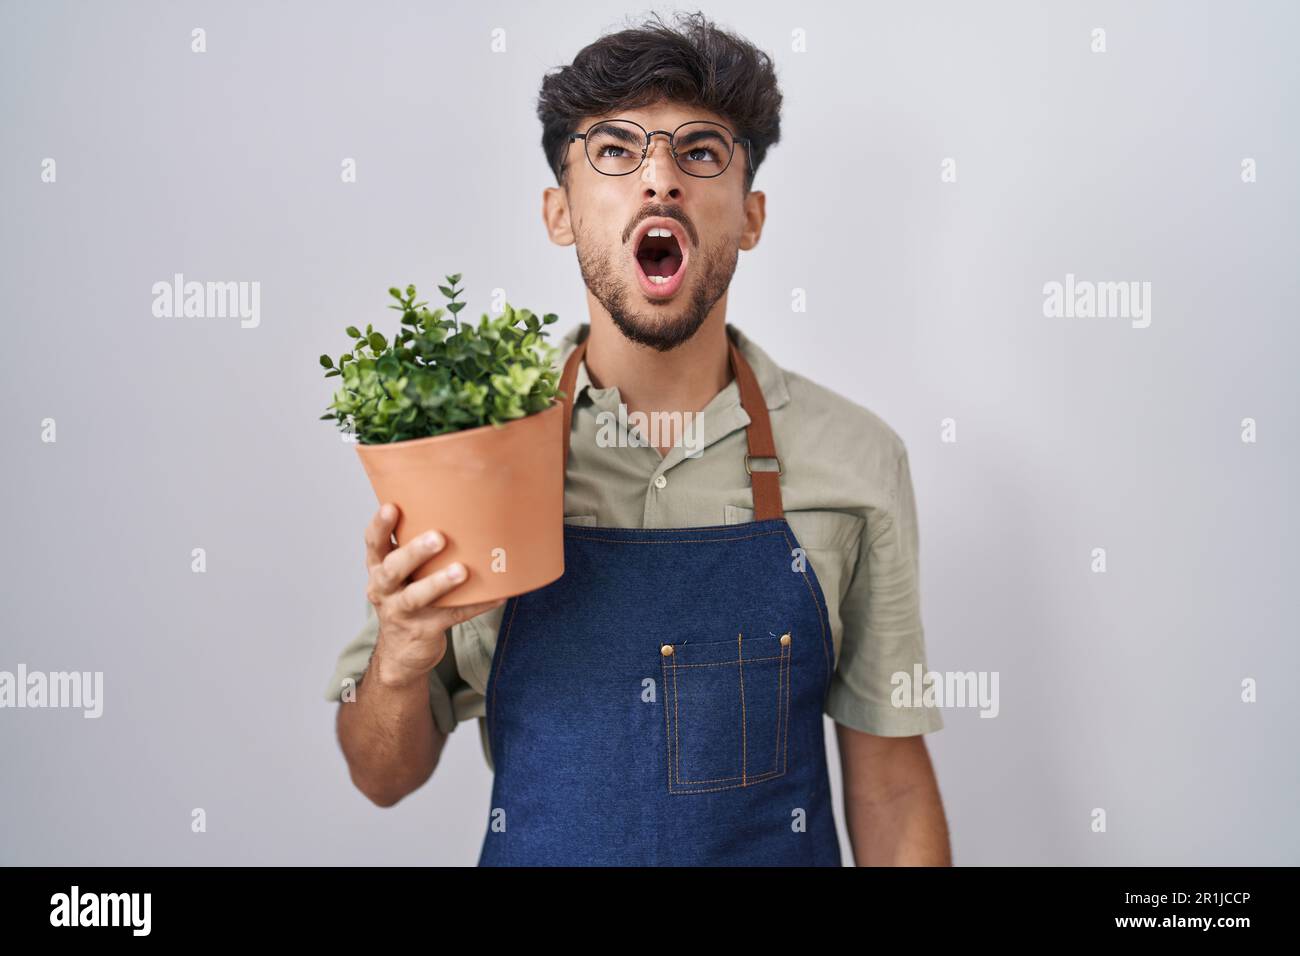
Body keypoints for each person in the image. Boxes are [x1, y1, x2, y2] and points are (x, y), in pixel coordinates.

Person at [324, 10, 950, 866]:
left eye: (700, 152)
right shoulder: (471, 451)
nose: (660, 180)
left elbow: (892, 784)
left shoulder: (858, 462)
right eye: (615, 151)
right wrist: (399, 657)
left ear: (752, 215)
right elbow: (381, 776)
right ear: (560, 211)